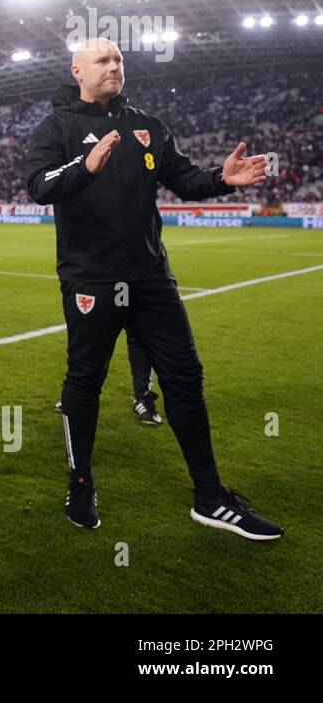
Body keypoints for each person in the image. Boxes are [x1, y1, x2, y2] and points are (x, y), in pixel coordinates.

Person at [24, 38, 282, 539]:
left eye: (119, 59)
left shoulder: (148, 125)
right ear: (77, 70)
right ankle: (80, 483)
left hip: (151, 278)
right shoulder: (57, 126)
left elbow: (184, 179)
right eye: (103, 59)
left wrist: (221, 180)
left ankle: (210, 497)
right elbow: (38, 185)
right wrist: (86, 166)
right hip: (91, 279)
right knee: (85, 381)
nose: (114, 66)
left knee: (186, 378)